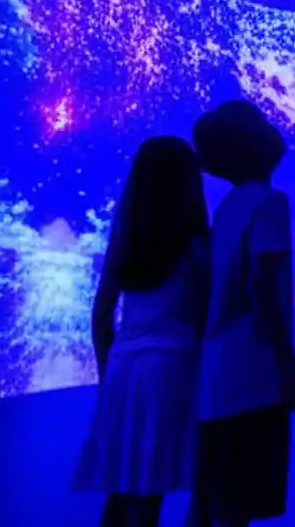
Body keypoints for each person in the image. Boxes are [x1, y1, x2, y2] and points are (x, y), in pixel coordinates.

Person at [75, 136, 211, 527]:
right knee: (149, 487)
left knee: (121, 486)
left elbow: (101, 314)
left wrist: (107, 375)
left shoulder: (126, 241)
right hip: (173, 365)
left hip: (123, 366)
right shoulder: (198, 246)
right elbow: (205, 315)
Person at [188, 100, 295, 527]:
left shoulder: (228, 206)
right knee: (236, 507)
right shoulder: (269, 203)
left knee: (208, 502)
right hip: (252, 376)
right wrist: (287, 365)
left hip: (216, 374)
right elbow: (261, 286)